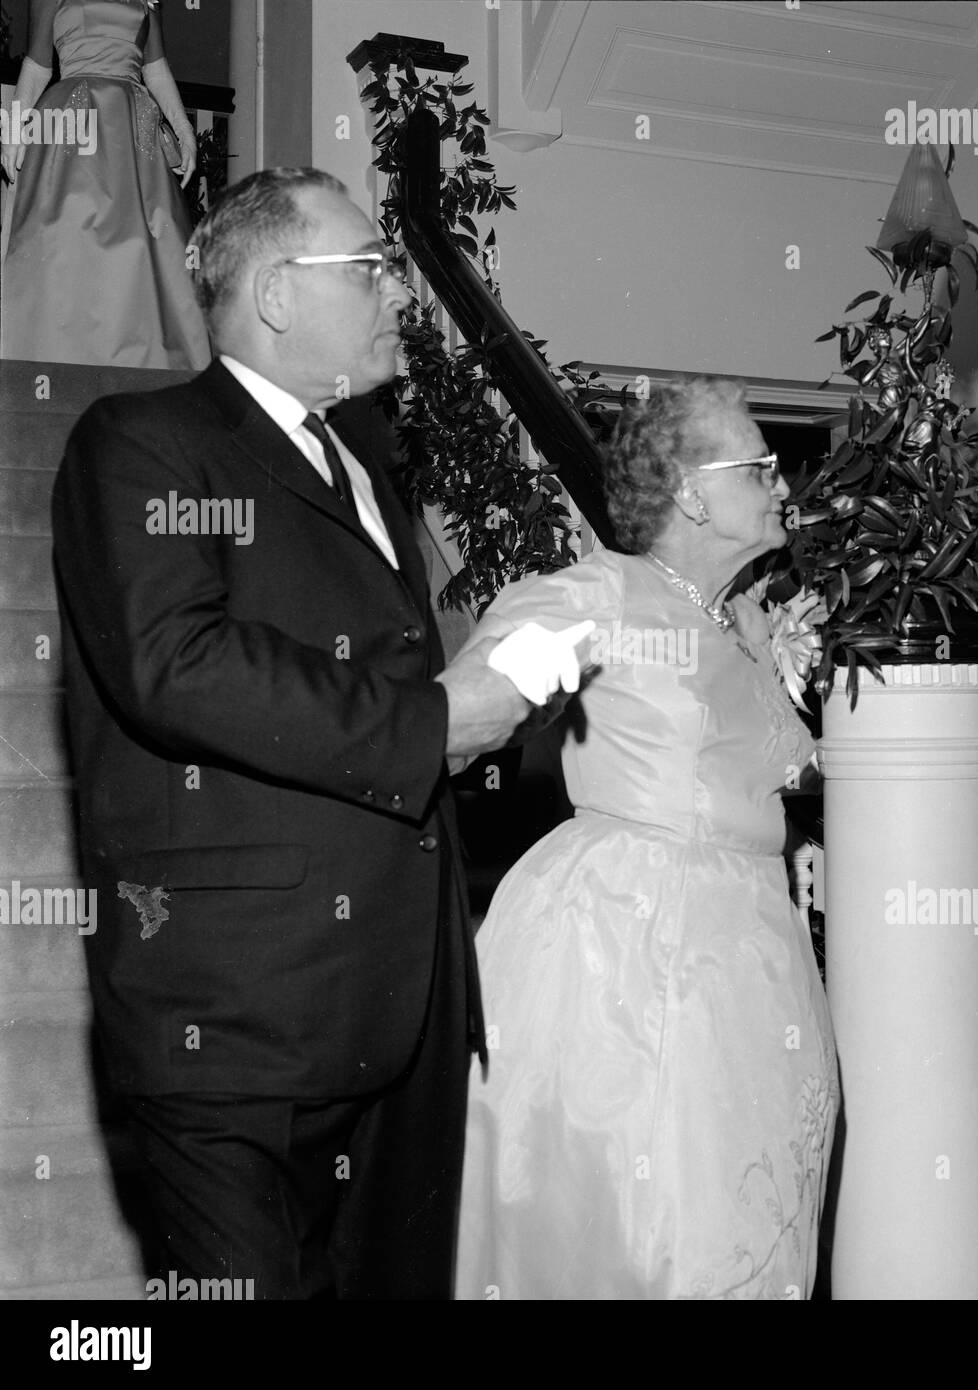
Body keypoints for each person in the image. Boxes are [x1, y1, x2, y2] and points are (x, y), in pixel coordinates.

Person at [50, 166, 540, 1298]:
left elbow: (379, 695)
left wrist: (478, 708)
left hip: (399, 1018)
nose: (398, 293)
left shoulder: (368, 460)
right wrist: (432, 718)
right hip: (233, 1023)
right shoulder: (142, 445)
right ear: (275, 293)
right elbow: (176, 662)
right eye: (370, 269)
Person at [453, 379, 839, 1300]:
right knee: (653, 1217)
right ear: (694, 493)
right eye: (759, 464)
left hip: (754, 946)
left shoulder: (746, 622)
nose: (780, 482)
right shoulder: (604, 592)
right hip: (625, 946)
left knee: (750, 1208)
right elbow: (455, 710)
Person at [1, 0, 209, 368]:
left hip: (133, 128)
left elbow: (156, 69)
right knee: (66, 237)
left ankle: (141, 373)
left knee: (144, 247)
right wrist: (13, 128)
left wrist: (184, 131)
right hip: (73, 120)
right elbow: (36, 66)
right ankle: (54, 364)